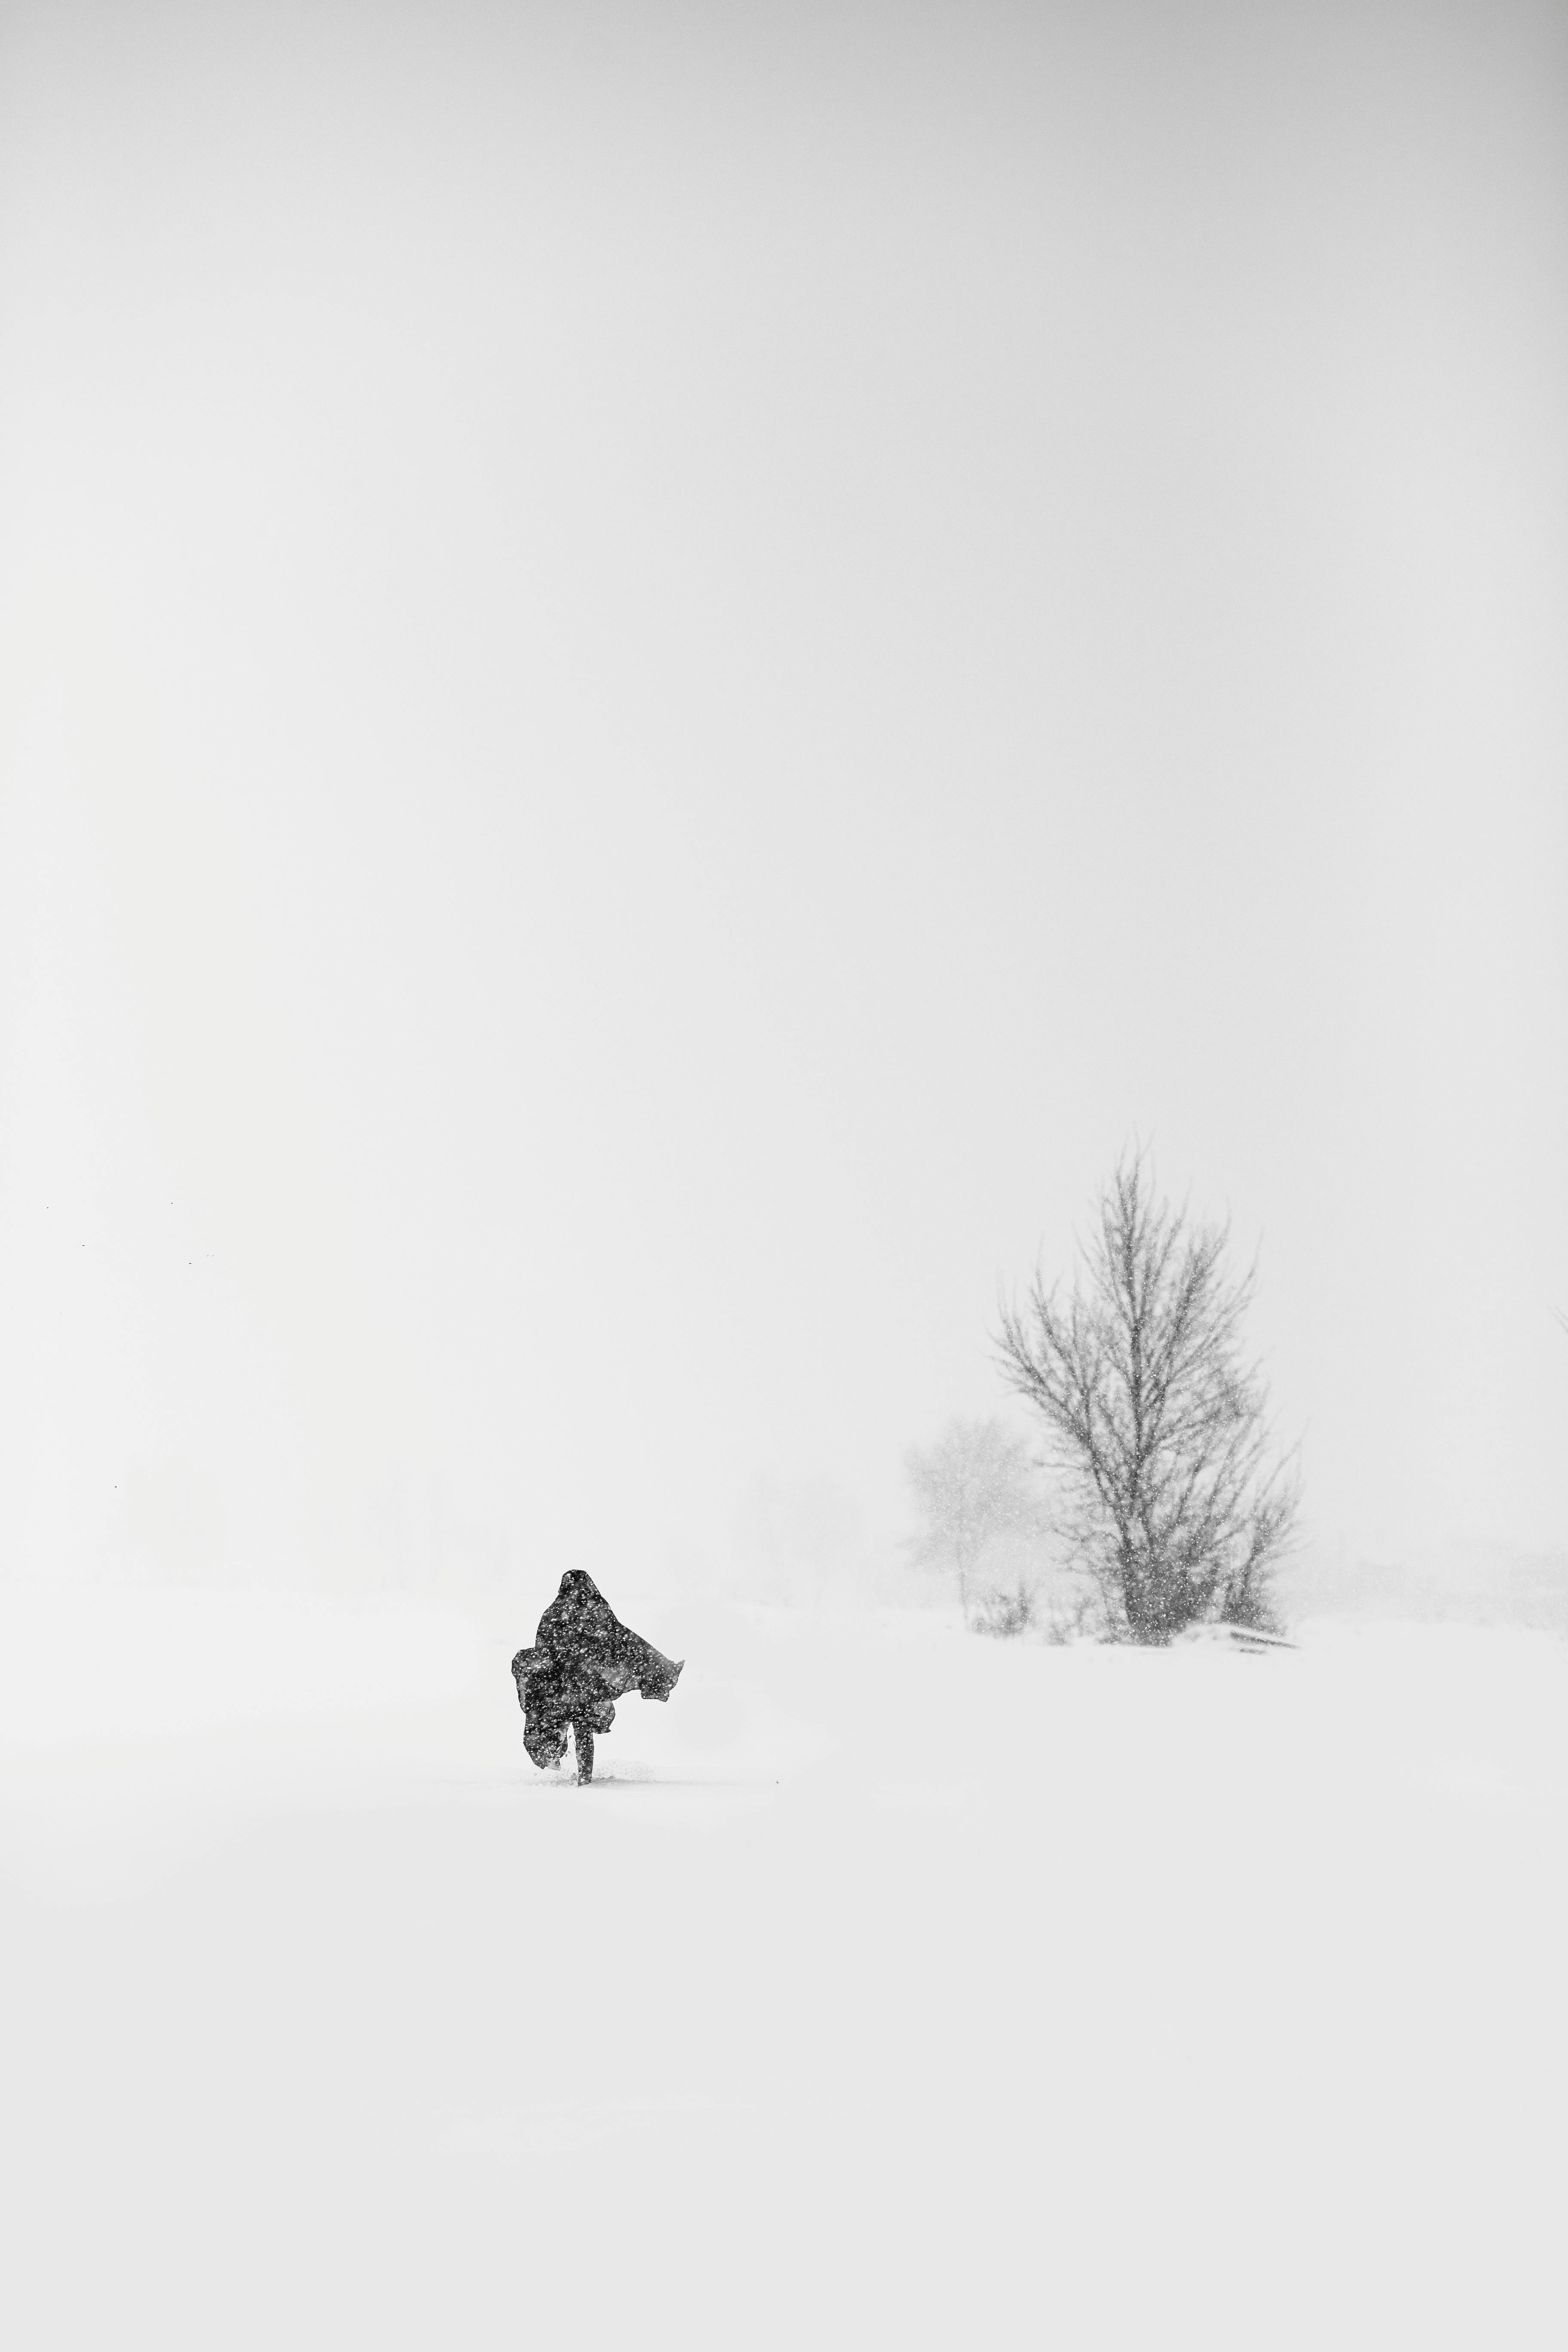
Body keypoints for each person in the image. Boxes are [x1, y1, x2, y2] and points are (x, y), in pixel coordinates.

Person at [511, 1571, 683, 1783]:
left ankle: (575, 1774)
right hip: (585, 1685)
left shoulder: (555, 1612)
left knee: (569, 1726)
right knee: (583, 1730)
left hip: (562, 1688)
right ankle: (585, 1778)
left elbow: (545, 1648)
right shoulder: (595, 1609)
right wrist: (651, 1661)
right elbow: (621, 1638)